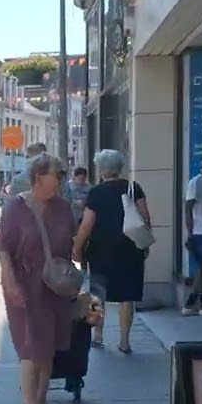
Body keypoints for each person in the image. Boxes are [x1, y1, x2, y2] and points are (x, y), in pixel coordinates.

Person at [0, 153, 74, 404]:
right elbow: (3, 248)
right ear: (39, 177)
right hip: (24, 284)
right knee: (30, 345)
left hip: (54, 286)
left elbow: (72, 247)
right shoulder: (15, 207)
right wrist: (9, 281)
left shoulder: (64, 208)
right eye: (58, 174)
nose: (62, 180)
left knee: (48, 346)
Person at [72, 149, 151, 354]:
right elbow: (145, 218)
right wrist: (145, 244)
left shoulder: (96, 192)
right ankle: (125, 341)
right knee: (127, 296)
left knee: (98, 294)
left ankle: (98, 336)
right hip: (130, 248)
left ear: (101, 169)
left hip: (100, 250)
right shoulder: (134, 188)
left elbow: (87, 225)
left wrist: (77, 248)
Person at [183, 153, 202, 316]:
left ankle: (197, 302)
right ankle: (200, 303)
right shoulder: (197, 182)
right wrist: (190, 232)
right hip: (201, 232)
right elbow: (188, 207)